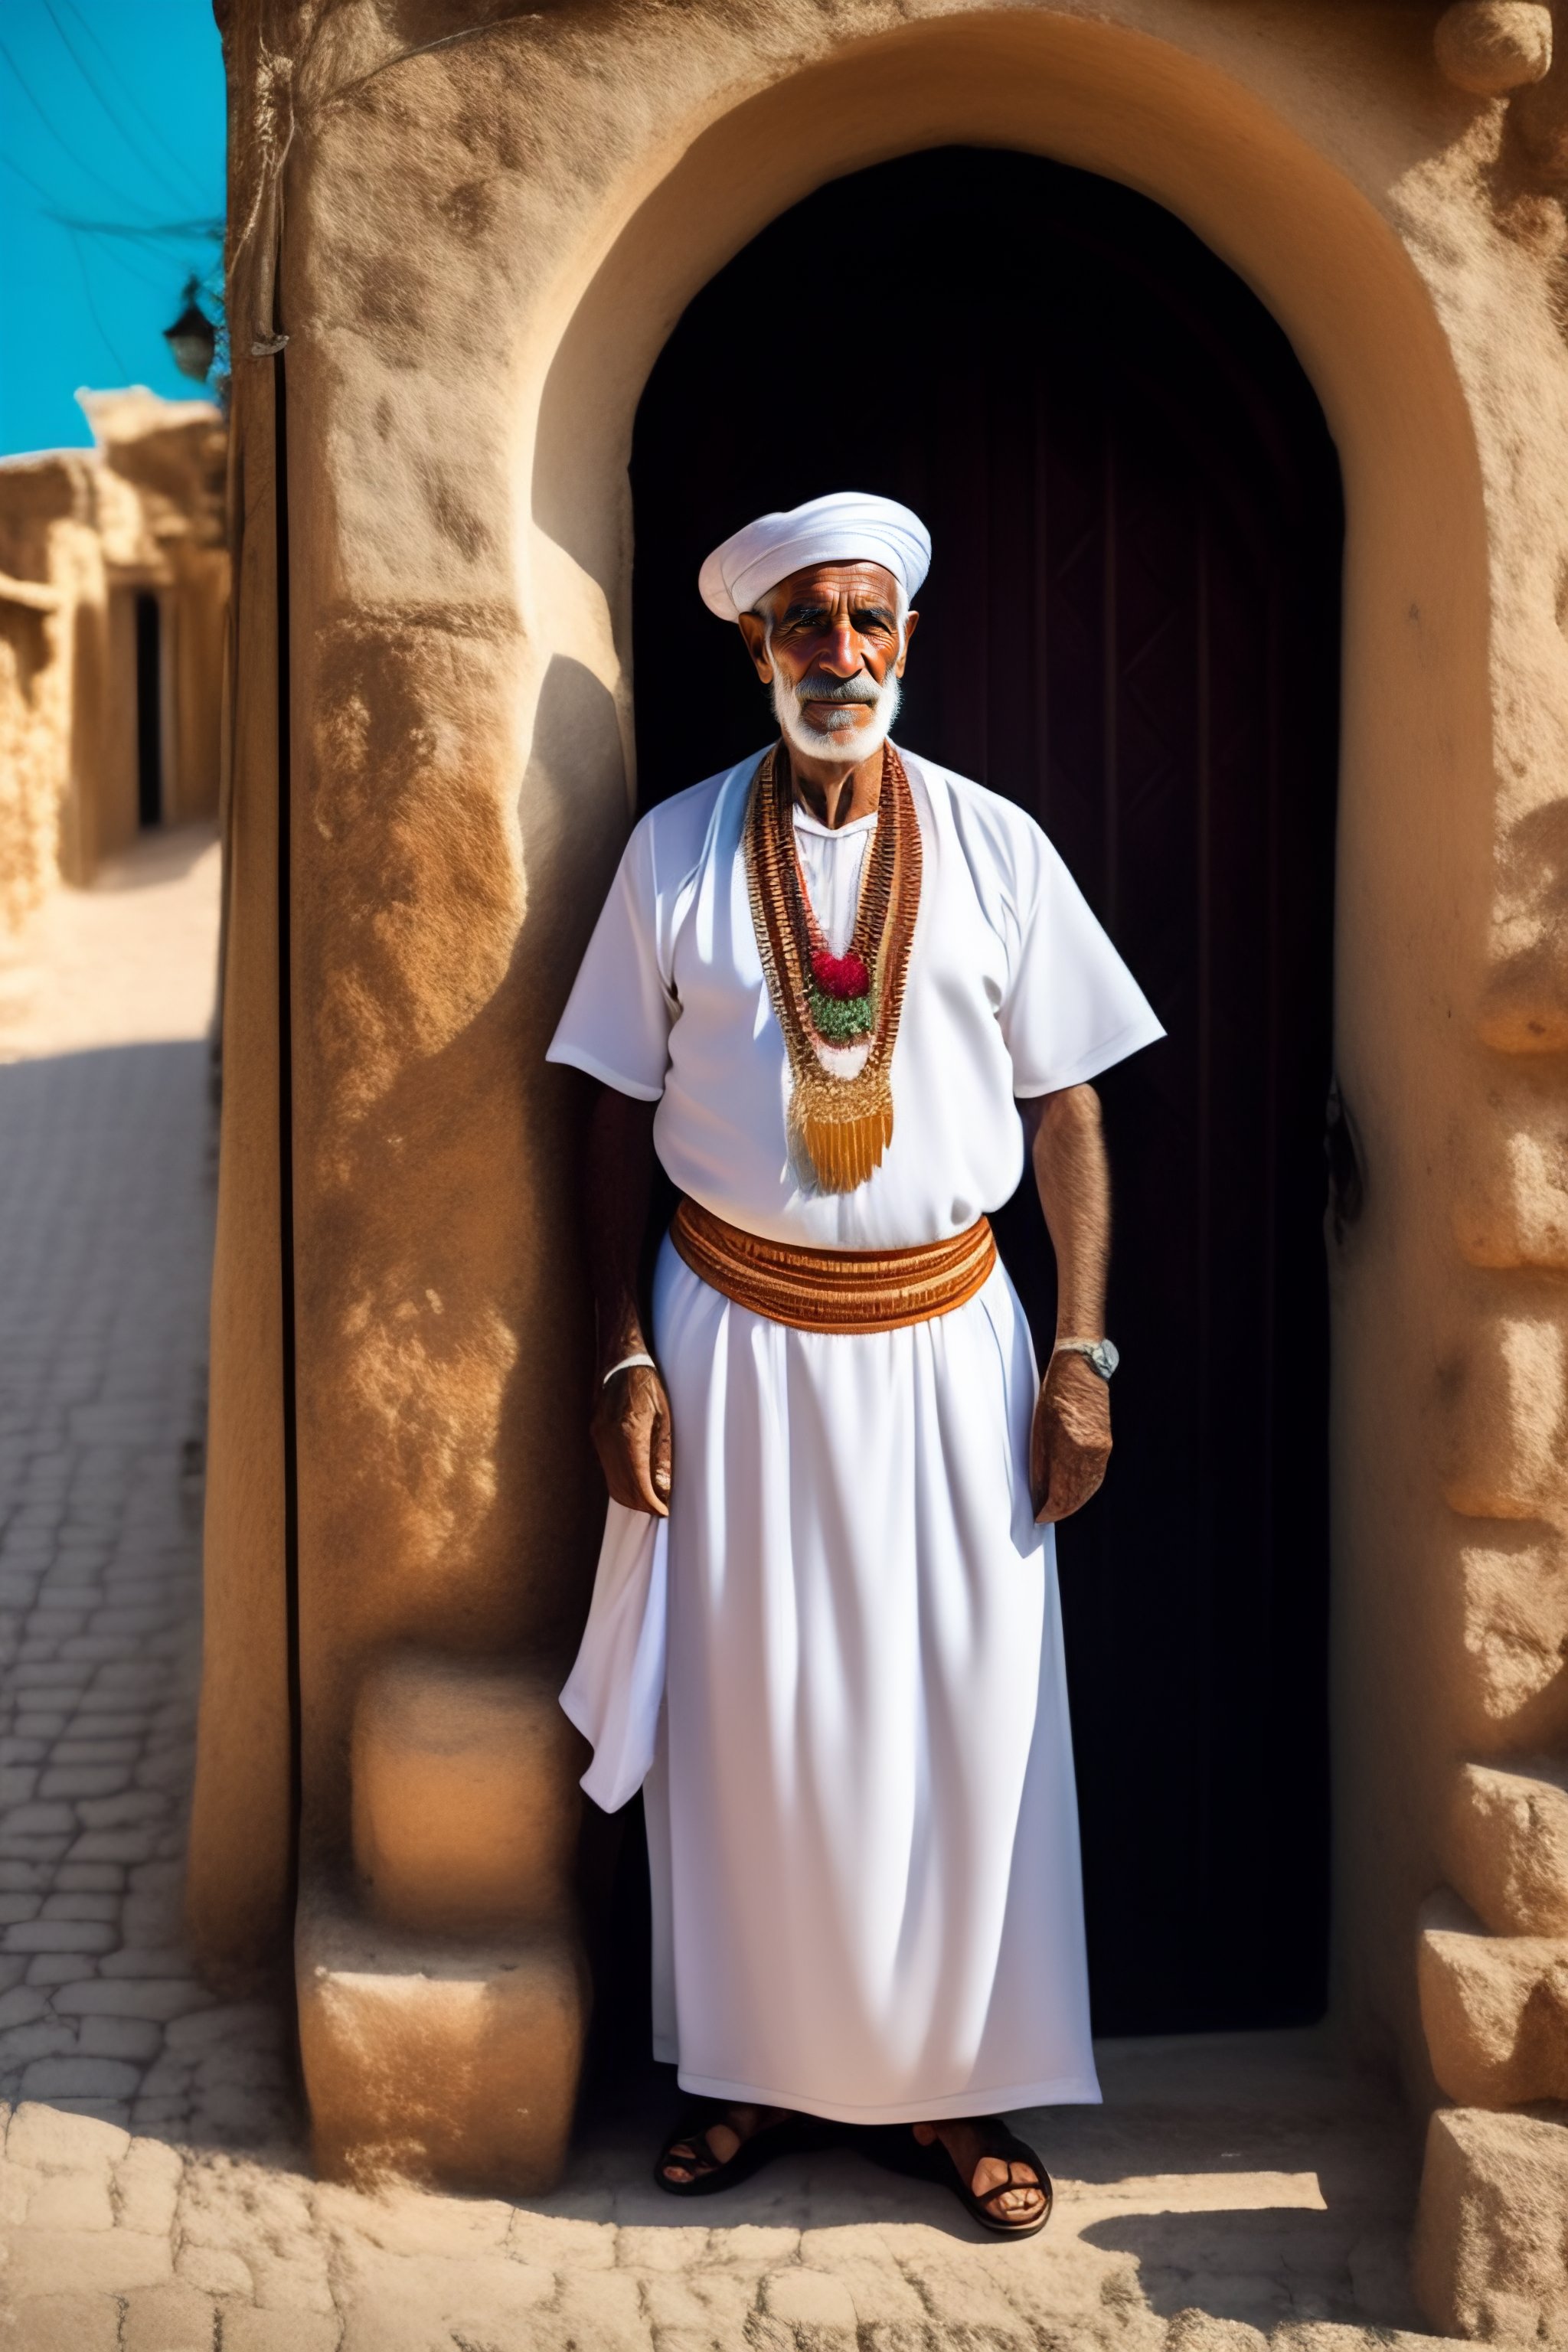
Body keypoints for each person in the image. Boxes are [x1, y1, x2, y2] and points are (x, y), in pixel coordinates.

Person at [548, 492, 1163, 2235]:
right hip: (730, 1349)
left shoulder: (989, 845)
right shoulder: (674, 852)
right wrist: (617, 1362)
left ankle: (961, 2102)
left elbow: (1069, 1105)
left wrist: (1080, 1350)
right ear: (755, 649)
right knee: (757, 1732)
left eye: (869, 623)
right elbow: (602, 1107)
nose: (842, 656)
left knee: (963, 1730)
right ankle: (749, 2074)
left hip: (955, 1358)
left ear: (905, 640)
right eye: (806, 626)